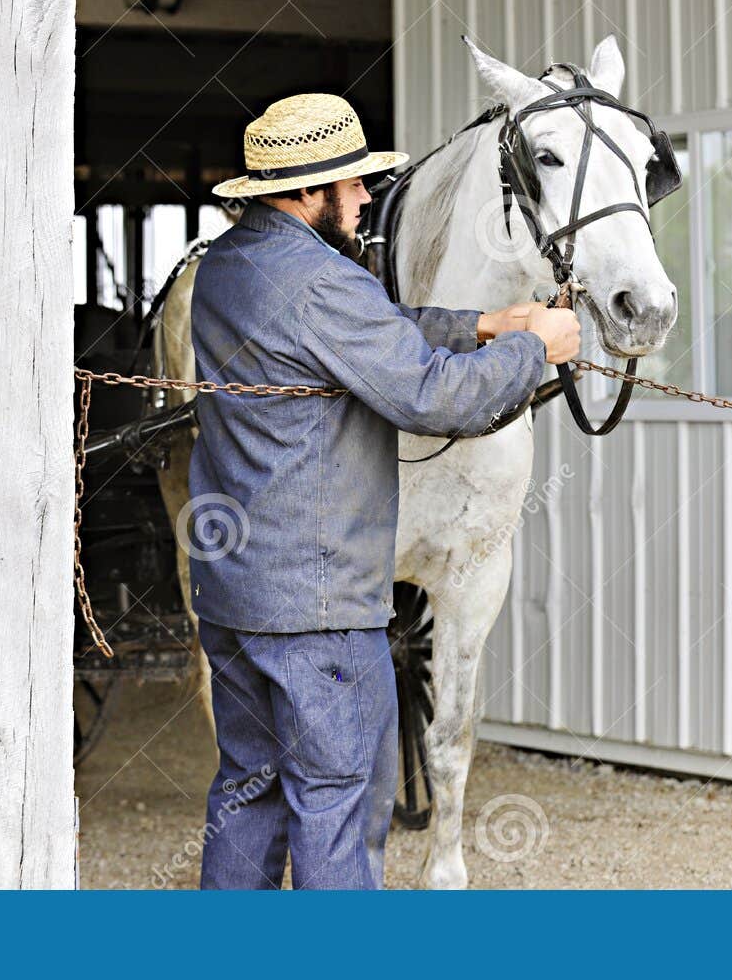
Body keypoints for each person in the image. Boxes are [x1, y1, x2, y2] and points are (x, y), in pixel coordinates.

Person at [187, 92, 580, 889]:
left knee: (247, 794)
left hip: (236, 596)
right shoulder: (323, 284)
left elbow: (372, 325)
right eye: (352, 185)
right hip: (320, 609)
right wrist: (534, 349)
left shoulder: (229, 268)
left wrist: (480, 323)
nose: (368, 198)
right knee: (337, 809)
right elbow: (432, 397)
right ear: (305, 194)